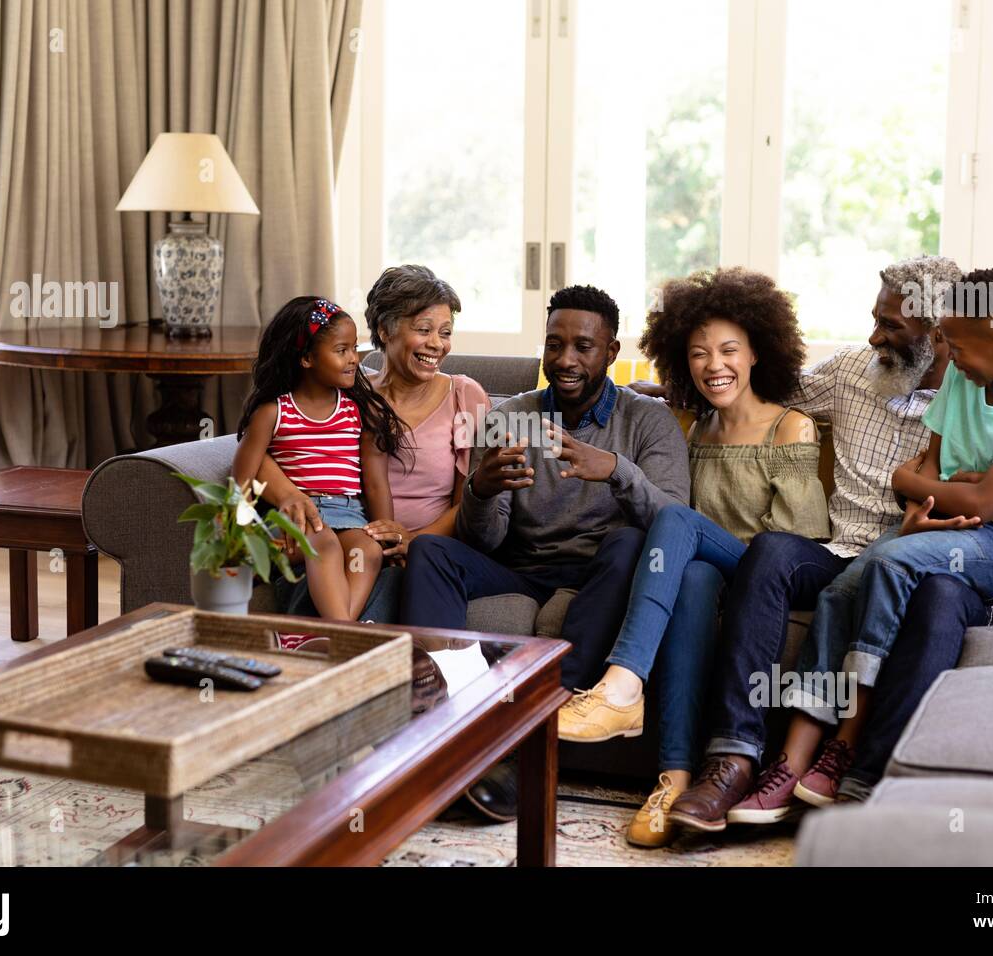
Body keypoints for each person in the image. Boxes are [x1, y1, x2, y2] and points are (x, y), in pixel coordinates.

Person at [666, 256, 993, 833]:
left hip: (936, 558)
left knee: (935, 594)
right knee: (772, 551)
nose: (875, 337)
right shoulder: (852, 372)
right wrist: (658, 394)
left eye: (892, 325)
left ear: (939, 334)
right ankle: (735, 759)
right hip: (843, 550)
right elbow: (751, 383)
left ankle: (864, 775)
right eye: (876, 319)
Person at [552, 268, 830, 848]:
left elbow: (798, 539)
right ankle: (673, 780)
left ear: (758, 352)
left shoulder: (790, 427)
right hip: (713, 570)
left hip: (773, 573)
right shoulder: (693, 428)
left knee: (677, 520)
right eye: (699, 354)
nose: (714, 365)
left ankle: (622, 686)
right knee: (697, 579)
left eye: (729, 350)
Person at [400, 283, 690, 820]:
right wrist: (481, 492)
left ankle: (544, 711)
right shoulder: (512, 415)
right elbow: (485, 540)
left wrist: (617, 472)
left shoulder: (648, 421)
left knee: (631, 542)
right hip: (521, 568)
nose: (565, 359)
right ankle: (454, 721)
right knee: (430, 554)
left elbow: (675, 529)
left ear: (611, 353)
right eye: (554, 344)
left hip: (603, 573)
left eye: (583, 346)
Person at [256, 266, 490, 624]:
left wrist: (411, 540)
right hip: (340, 533)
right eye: (423, 330)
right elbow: (265, 447)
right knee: (331, 564)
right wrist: (292, 496)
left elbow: (471, 501)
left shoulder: (465, 396)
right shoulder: (349, 389)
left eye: (445, 332)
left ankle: (335, 648)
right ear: (385, 330)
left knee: (384, 576)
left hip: (422, 551)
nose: (437, 344)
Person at [232, 296, 407, 629]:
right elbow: (243, 478)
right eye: (342, 351)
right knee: (324, 545)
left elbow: (374, 483)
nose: (354, 359)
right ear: (308, 358)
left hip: (349, 514)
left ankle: (340, 628)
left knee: (365, 552)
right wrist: (241, 536)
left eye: (355, 348)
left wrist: (384, 534)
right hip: (299, 521)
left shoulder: (357, 411)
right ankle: (345, 631)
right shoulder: (274, 412)